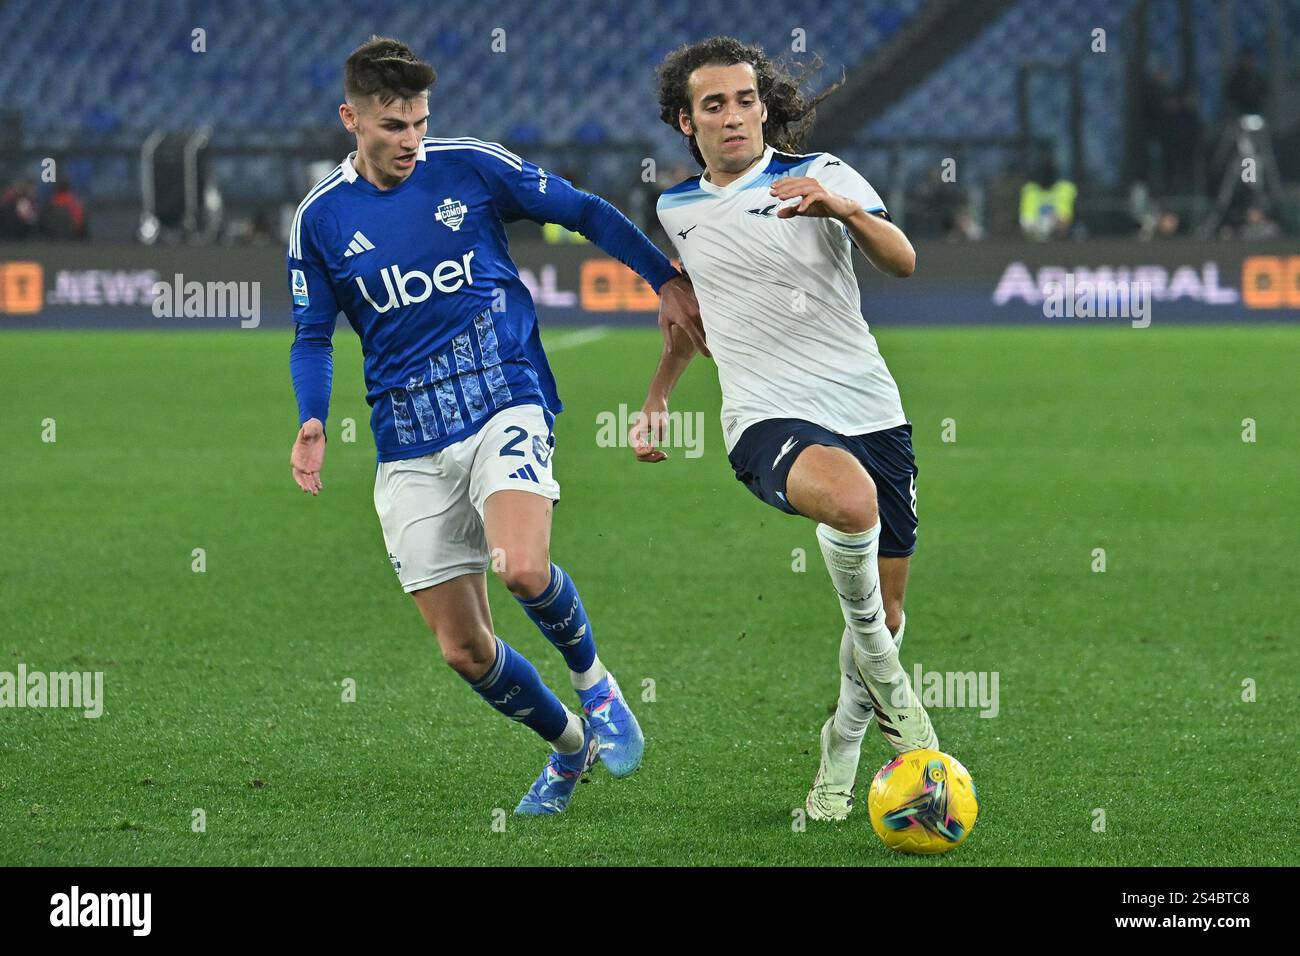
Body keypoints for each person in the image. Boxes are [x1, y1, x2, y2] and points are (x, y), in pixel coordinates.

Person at [287, 36, 702, 815]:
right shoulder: (320, 220)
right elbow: (312, 335)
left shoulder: (469, 165)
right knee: (464, 649)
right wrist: (313, 419)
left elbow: (580, 209)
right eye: (391, 126)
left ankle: (598, 687)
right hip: (407, 440)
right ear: (351, 120)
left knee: (520, 567)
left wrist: (662, 280)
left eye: (418, 122)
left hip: (502, 397)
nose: (410, 140)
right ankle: (569, 747)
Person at [633, 35, 940, 823]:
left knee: (888, 611)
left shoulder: (823, 174)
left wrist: (842, 210)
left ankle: (842, 741)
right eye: (714, 105)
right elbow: (694, 319)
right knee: (849, 500)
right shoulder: (677, 209)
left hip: (871, 408)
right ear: (684, 122)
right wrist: (658, 395)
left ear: (763, 107)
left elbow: (902, 259)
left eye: (744, 100)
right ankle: (901, 698)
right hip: (765, 413)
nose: (733, 116)